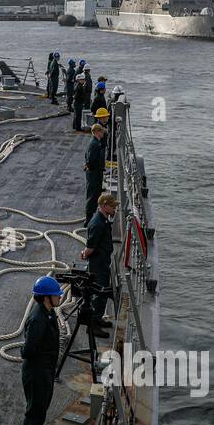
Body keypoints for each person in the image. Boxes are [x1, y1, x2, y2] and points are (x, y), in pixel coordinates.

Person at [20, 275, 63, 425]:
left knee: (42, 406)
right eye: (56, 295)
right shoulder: (38, 319)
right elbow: (28, 350)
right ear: (46, 297)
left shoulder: (49, 312)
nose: (59, 298)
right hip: (37, 372)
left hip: (45, 369)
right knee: (34, 411)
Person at [79, 193, 118, 345]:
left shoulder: (103, 220)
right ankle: (92, 325)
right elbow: (91, 247)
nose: (114, 208)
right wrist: (84, 254)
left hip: (103, 262)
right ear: (104, 206)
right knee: (98, 293)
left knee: (102, 291)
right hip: (98, 264)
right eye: (112, 206)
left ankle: (98, 318)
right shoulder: (98, 223)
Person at [83, 121, 107, 222]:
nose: (103, 133)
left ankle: (90, 216)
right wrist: (90, 167)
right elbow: (90, 160)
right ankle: (88, 219)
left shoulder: (95, 142)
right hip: (94, 173)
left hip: (95, 172)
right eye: (101, 132)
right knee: (92, 196)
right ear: (97, 132)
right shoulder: (94, 144)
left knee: (95, 194)